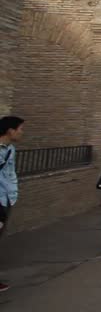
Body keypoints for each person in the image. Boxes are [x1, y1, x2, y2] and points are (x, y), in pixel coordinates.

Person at [0, 116, 24, 292]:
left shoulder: (10, 149)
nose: (21, 132)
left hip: (6, 198)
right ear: (10, 130)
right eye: (20, 129)